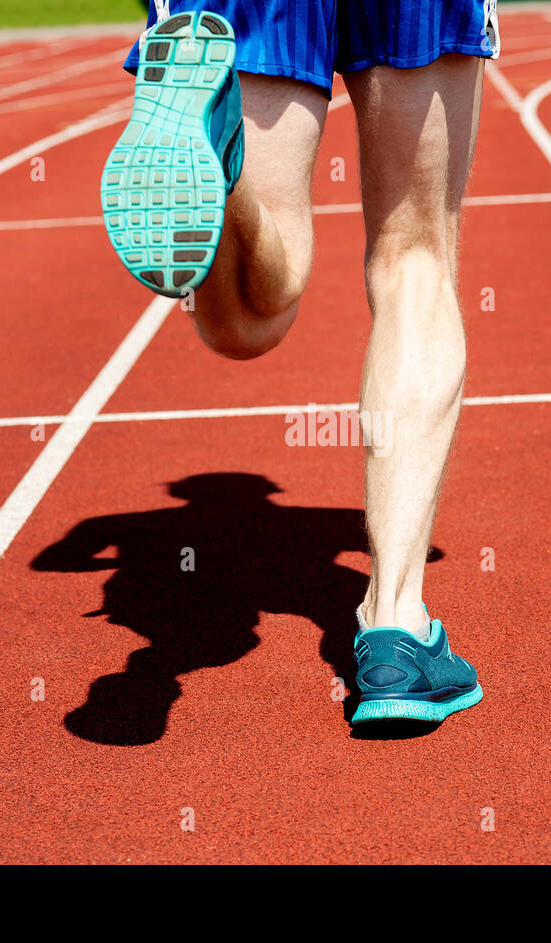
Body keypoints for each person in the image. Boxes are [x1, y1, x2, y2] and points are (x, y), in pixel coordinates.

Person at [99, 0, 498, 724]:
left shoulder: (130, 528)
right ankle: (397, 632)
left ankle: (226, 178)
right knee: (415, 259)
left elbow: (56, 562)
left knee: (250, 321)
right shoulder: (316, 522)